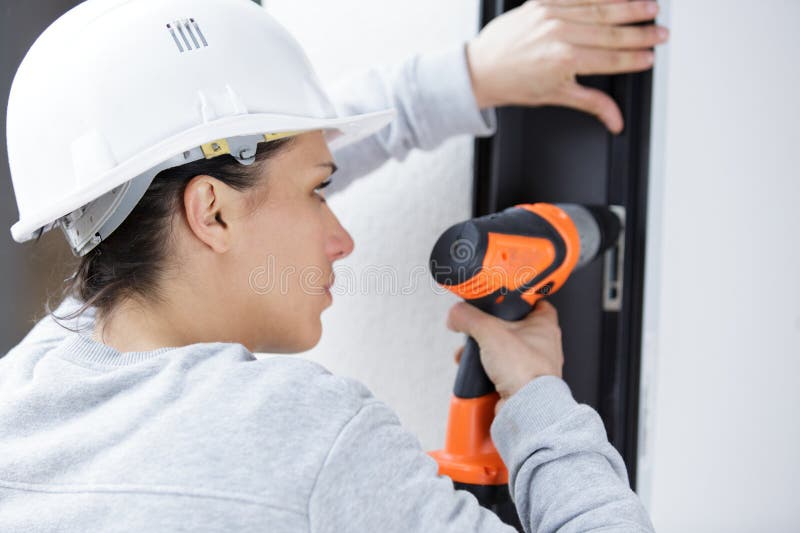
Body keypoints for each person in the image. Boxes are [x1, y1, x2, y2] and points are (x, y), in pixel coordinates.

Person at [0, 0, 668, 531]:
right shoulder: (306, 437)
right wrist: (538, 397)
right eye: (320, 189)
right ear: (213, 214)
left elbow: (219, 168)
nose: (342, 238)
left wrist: (466, 77)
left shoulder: (21, 397)